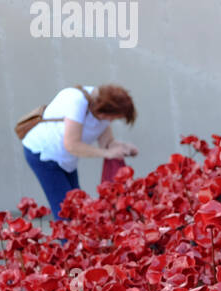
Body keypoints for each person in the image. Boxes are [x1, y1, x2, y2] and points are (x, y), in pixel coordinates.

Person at [21, 84, 139, 220]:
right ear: (104, 111)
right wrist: (107, 153)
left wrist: (124, 148)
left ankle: (75, 240)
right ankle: (68, 241)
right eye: (113, 117)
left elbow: (107, 143)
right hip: (44, 154)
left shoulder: (102, 111)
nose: (111, 121)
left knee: (77, 204)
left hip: (66, 159)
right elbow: (72, 145)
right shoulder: (77, 102)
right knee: (65, 209)